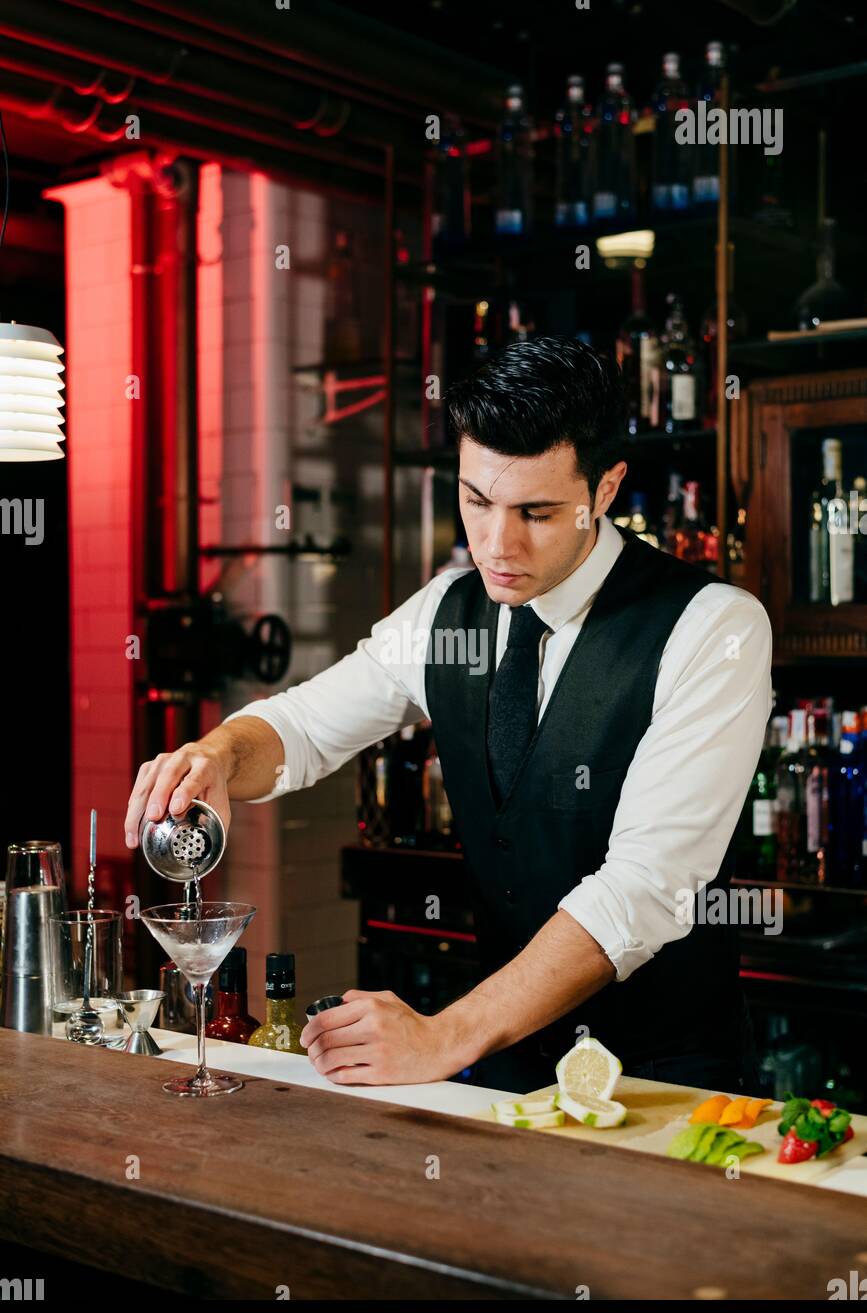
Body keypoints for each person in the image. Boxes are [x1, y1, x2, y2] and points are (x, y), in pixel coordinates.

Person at [125, 337, 772, 1094]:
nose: (497, 544)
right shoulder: (446, 613)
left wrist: (444, 1034)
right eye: (476, 501)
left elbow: (643, 886)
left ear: (604, 489)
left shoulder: (710, 628)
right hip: (504, 1072)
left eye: (535, 511)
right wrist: (218, 754)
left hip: (663, 1080)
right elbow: (300, 728)